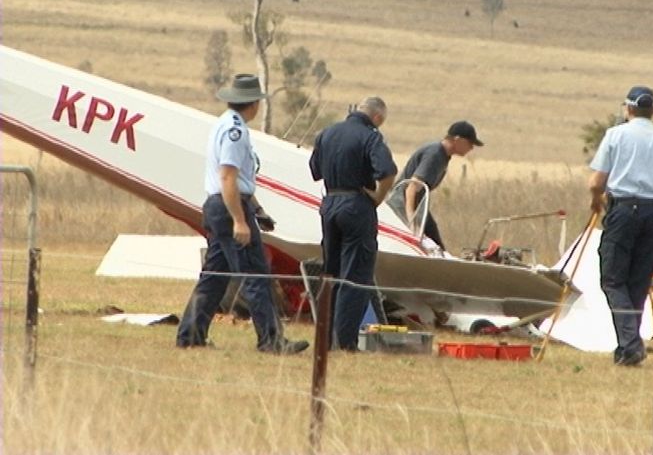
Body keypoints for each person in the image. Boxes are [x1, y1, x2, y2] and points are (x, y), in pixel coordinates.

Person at [176, 74, 309, 355]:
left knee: (214, 277)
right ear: (254, 105)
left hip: (221, 205)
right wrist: (239, 219)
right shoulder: (236, 132)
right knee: (255, 274)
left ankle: (190, 336)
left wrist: (256, 210)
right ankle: (271, 341)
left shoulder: (224, 124)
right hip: (229, 207)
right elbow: (228, 177)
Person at [588, 86, 653, 366]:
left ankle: (630, 345)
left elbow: (596, 182)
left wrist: (596, 201)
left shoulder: (615, 135)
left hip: (624, 209)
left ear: (627, 109)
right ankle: (627, 347)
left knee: (613, 279)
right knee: (638, 280)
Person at [308, 97, 397, 351]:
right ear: (377, 117)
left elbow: (315, 170)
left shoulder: (327, 133)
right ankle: (345, 342)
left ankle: (324, 340)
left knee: (331, 274)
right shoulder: (371, 136)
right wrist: (378, 198)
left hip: (329, 204)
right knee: (355, 276)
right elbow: (388, 172)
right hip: (356, 205)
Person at [385, 121, 484, 251]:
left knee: (436, 245)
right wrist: (412, 223)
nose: (471, 148)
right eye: (470, 143)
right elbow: (412, 188)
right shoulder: (435, 154)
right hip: (403, 206)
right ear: (457, 140)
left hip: (417, 206)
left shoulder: (443, 156)